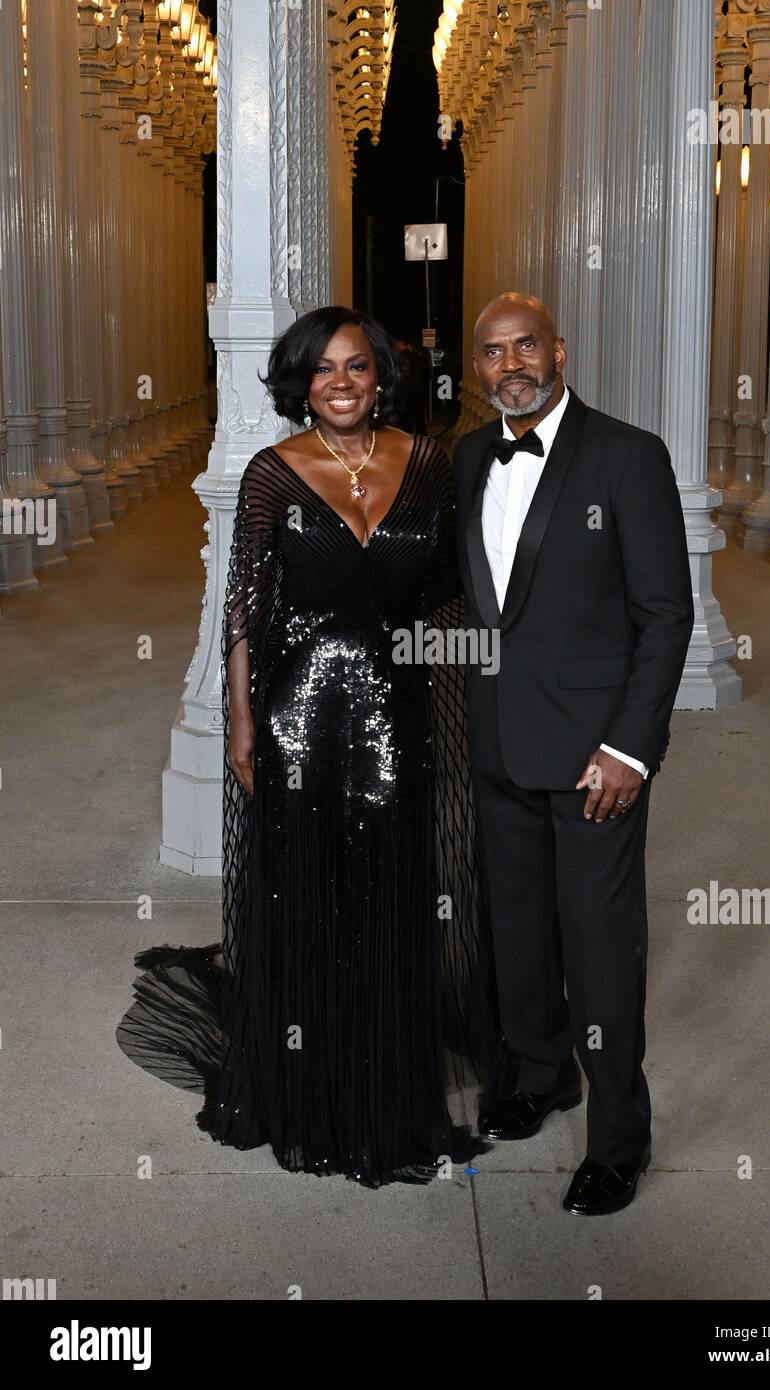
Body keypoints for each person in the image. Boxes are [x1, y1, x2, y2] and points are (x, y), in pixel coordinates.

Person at [117, 307, 501, 1187]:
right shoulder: (271, 473)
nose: (340, 383)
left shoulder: (429, 463)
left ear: (381, 376)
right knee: (311, 890)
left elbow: (452, 587)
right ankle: (305, 1072)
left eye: (357, 367)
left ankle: (384, 1075)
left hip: (399, 710)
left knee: (393, 884)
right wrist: (243, 723)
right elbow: (243, 609)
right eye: (323, 369)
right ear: (301, 381)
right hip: (298, 718)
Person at [453, 293, 694, 1215]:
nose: (510, 364)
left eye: (525, 345)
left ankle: (618, 1139)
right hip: (498, 742)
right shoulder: (473, 456)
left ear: (559, 349)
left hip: (596, 759)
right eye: (491, 352)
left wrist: (630, 751)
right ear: (477, 368)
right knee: (516, 927)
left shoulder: (627, 456)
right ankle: (541, 1072)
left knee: (599, 947)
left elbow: (664, 615)